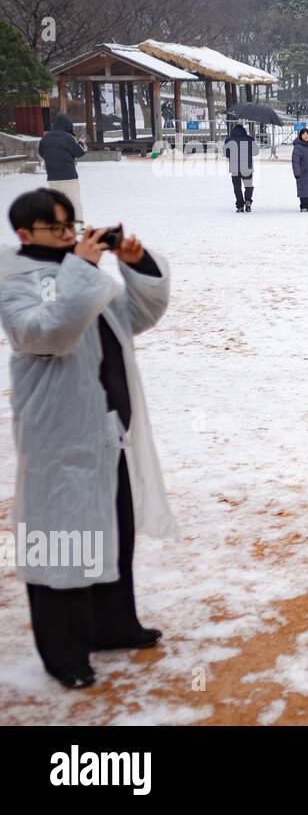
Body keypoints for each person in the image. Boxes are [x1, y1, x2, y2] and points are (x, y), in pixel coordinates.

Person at [0, 188, 175, 689]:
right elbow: (47, 333)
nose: (67, 235)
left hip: (104, 427)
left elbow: (133, 319)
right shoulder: (17, 282)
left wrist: (135, 266)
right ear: (23, 234)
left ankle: (112, 624)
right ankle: (64, 654)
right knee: (61, 543)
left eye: (69, 226)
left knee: (110, 529)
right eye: (56, 228)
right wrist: (80, 266)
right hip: (58, 433)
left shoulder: (81, 275)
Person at [38, 113, 87, 221]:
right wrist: (81, 143)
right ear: (68, 126)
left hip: (53, 178)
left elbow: (41, 153)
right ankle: (78, 227)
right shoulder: (68, 138)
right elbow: (79, 152)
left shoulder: (45, 138)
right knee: (74, 203)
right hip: (69, 178)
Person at [223, 122, 256, 214]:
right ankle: (248, 201)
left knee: (237, 187)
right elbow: (255, 152)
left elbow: (226, 153)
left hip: (234, 167)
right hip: (247, 166)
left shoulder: (229, 140)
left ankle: (240, 206)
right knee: (248, 185)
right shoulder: (249, 139)